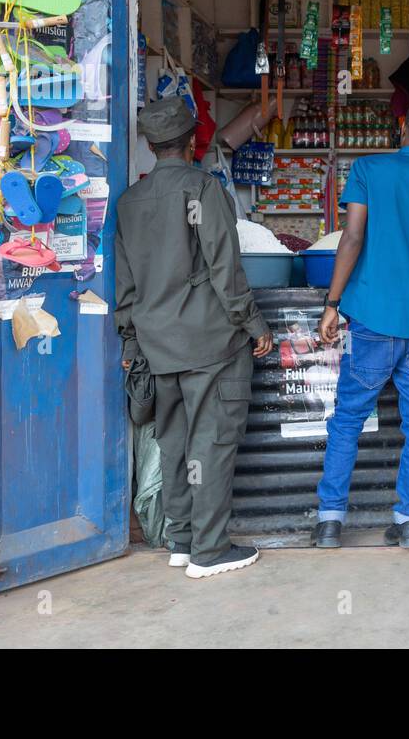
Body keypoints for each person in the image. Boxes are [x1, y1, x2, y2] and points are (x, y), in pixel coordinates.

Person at [114, 98, 274, 579]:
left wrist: (131, 342)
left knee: (176, 445)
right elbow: (226, 270)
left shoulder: (128, 202)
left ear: (149, 144)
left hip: (157, 346)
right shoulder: (202, 189)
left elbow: (126, 287)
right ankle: (209, 550)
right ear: (191, 141)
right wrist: (254, 324)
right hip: (210, 345)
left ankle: (181, 540)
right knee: (213, 444)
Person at [311, 98, 409, 550]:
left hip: (372, 319)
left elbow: (353, 236)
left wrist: (333, 302)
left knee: (347, 419)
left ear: (402, 127)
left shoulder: (369, 171)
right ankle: (408, 524)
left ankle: (329, 522)